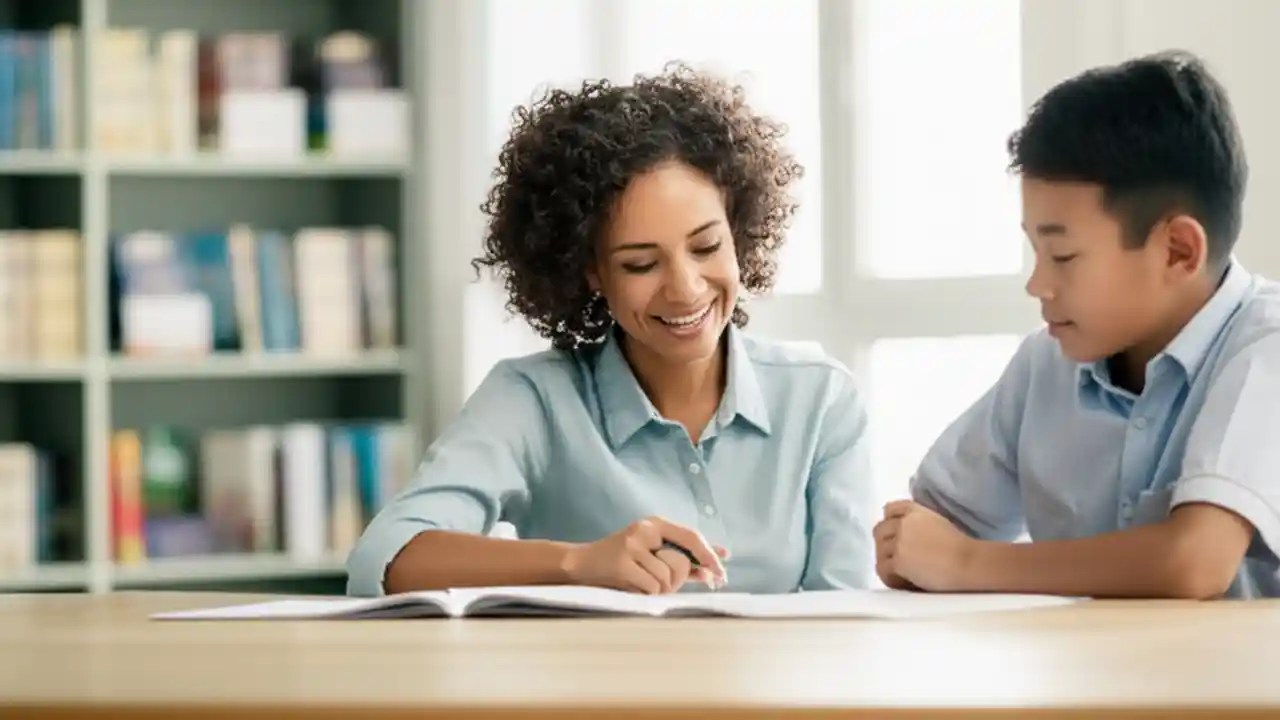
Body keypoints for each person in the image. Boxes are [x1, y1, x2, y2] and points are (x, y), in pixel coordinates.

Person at [347, 64, 874, 597]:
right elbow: (385, 558)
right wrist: (578, 564)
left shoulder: (820, 399)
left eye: (707, 247)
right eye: (641, 265)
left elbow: (845, 613)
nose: (686, 290)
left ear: (738, 232)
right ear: (590, 271)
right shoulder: (535, 400)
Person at [874, 50, 1280, 599]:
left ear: (1178, 251)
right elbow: (917, 538)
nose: (1037, 283)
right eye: (1034, 250)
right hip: (1079, 683)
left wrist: (966, 562)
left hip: (1230, 685)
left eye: (1063, 256)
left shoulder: (1264, 347)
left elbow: (1193, 561)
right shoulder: (1047, 364)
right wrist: (918, 551)